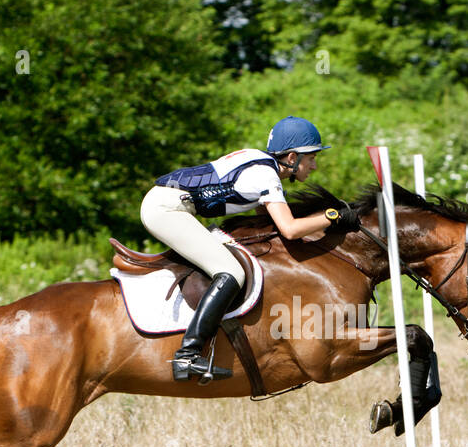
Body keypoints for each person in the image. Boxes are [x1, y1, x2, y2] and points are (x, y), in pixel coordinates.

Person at [143, 116, 359, 382]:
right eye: (311, 158)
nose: (314, 165)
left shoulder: (261, 164)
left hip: (168, 204)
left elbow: (270, 223)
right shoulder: (266, 175)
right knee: (231, 271)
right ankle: (187, 355)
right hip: (165, 210)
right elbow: (289, 229)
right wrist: (332, 215)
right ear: (292, 157)